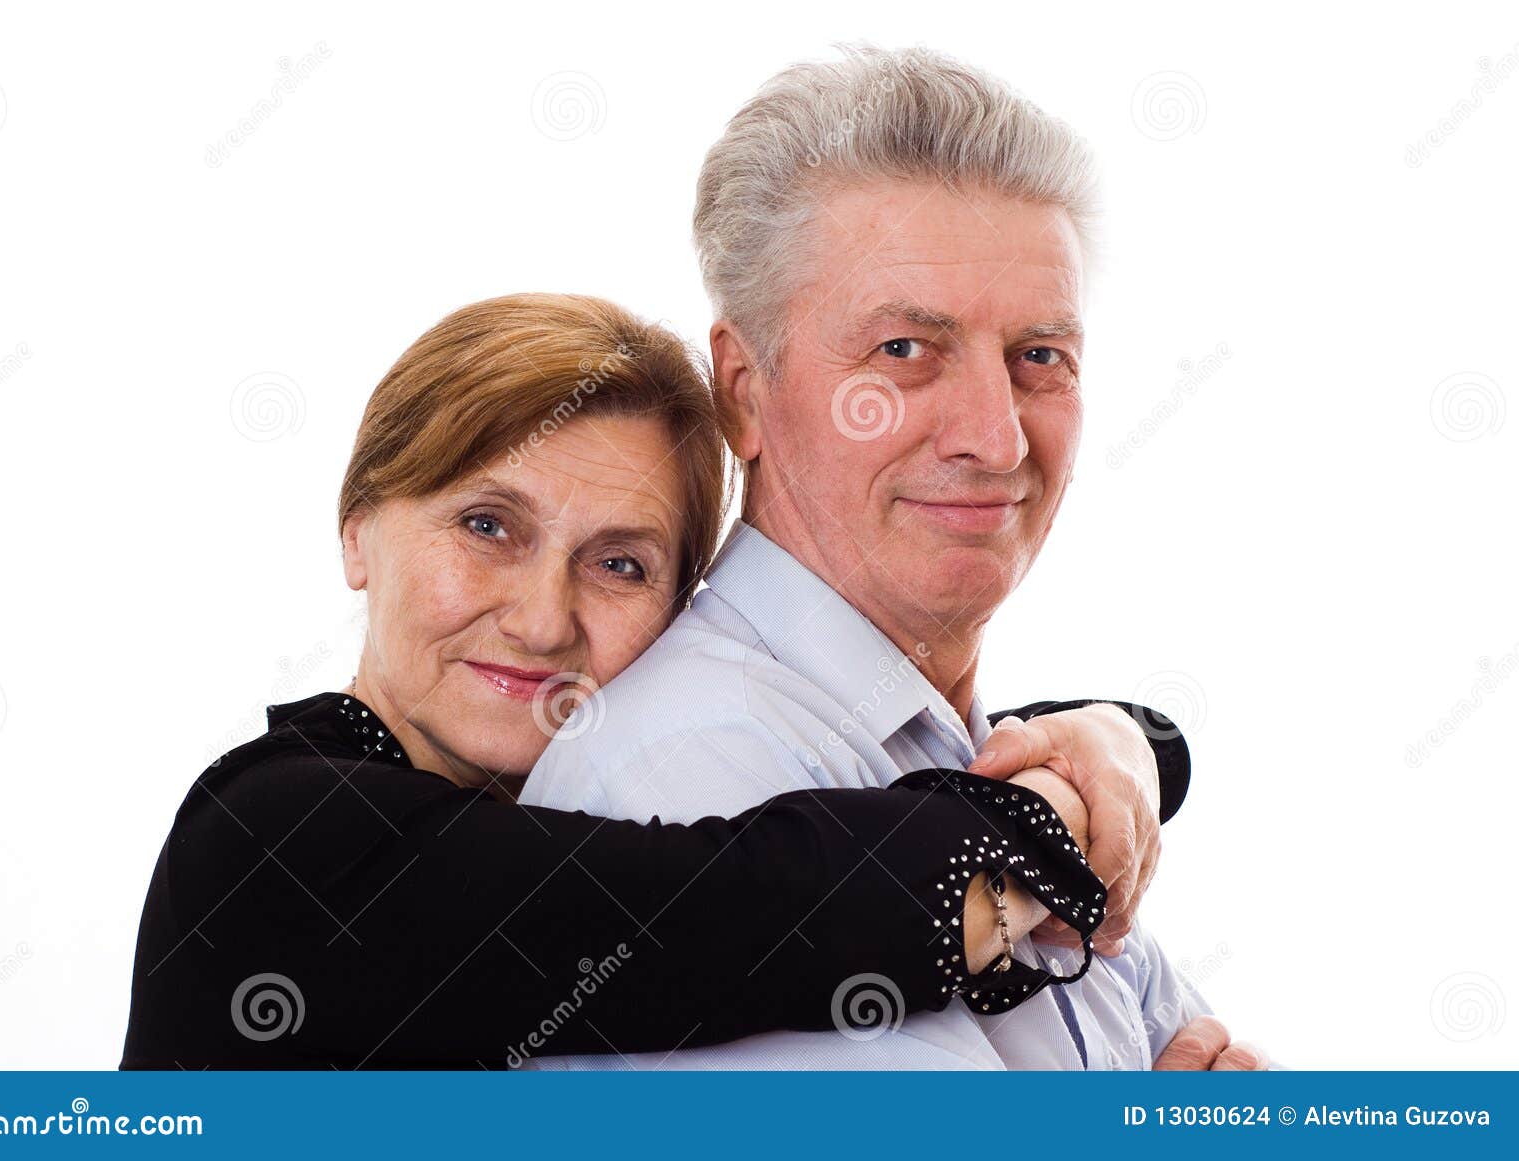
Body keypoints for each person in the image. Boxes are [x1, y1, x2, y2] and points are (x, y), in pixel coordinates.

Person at [120, 293, 1187, 1069]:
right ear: (357, 533)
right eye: (486, 526)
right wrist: (1072, 799)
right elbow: (763, 908)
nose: (542, 618)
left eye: (619, 563)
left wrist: (1129, 740)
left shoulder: (568, 802)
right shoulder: (277, 837)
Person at [520, 47, 1267, 1070]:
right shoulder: (693, 769)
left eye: (1038, 357)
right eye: (904, 353)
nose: (995, 438)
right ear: (743, 391)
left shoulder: (1007, 768)